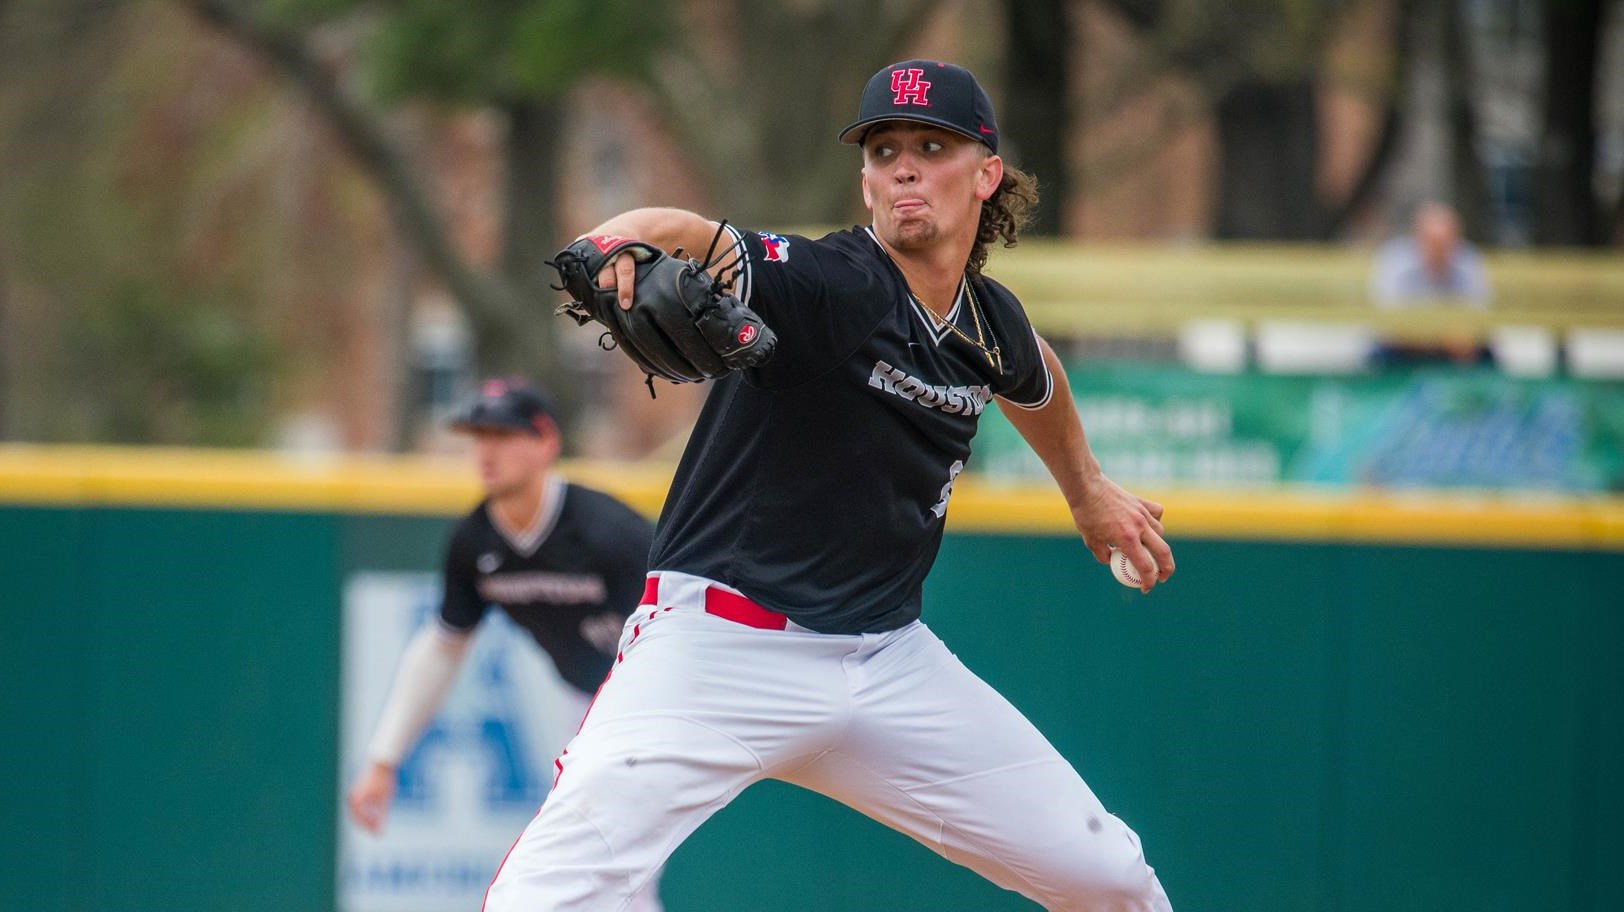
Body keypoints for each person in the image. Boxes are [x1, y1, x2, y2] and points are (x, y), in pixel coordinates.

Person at [485, 60, 1176, 912]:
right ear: (866, 178)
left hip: (886, 662)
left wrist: (1088, 490)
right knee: (541, 896)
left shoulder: (989, 320)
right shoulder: (831, 282)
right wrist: (604, 243)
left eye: (932, 146)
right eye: (885, 151)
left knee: (1110, 879)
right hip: (719, 649)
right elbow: (698, 234)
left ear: (987, 175)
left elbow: (1036, 378)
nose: (906, 167)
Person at [344, 377, 663, 912]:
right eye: (479, 436)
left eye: (503, 434)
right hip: (582, 703)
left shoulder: (608, 531)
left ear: (545, 442)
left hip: (651, 702)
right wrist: (383, 759)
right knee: (608, 866)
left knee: (617, 862)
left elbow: (677, 623)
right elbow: (444, 646)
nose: (486, 451)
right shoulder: (474, 542)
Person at [1368, 200, 1493, 364]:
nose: (1440, 250)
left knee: (1487, 356)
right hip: (1403, 347)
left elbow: (1480, 313)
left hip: (1453, 346)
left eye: (1446, 242)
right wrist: (1432, 336)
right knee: (1378, 354)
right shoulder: (1395, 260)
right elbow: (1387, 319)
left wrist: (1456, 336)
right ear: (1418, 238)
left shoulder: (1468, 260)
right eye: (1433, 242)